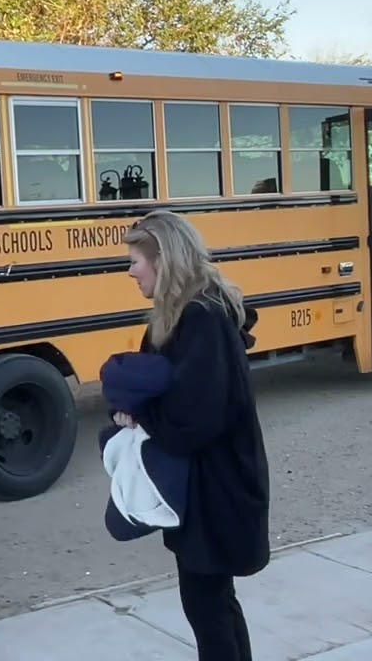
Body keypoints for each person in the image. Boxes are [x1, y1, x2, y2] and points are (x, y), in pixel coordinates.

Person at [114, 210, 270, 661]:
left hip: (216, 485)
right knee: (214, 600)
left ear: (163, 260)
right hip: (211, 482)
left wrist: (142, 414)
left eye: (135, 261)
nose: (130, 271)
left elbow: (196, 416)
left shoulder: (200, 318)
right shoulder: (191, 311)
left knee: (206, 603)